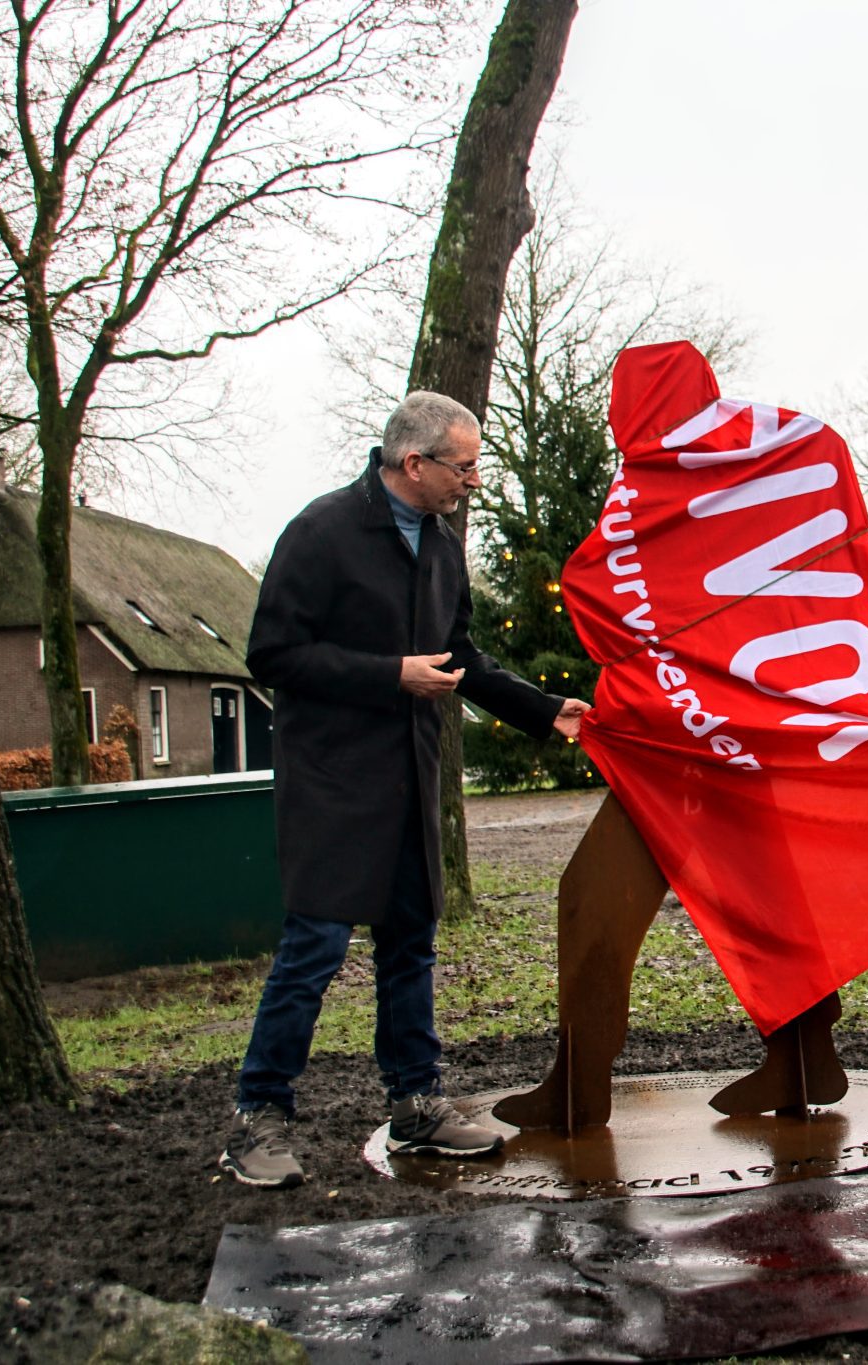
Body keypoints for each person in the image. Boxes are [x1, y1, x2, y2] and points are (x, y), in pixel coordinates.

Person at [218, 391, 589, 1188]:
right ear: (413, 463)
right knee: (311, 951)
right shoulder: (319, 533)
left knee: (410, 945)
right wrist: (390, 675)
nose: (473, 482)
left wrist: (545, 708)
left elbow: (459, 658)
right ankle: (259, 1118)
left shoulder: (445, 547)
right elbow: (273, 654)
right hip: (330, 783)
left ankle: (416, 1106)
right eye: (464, 467)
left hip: (411, 782)